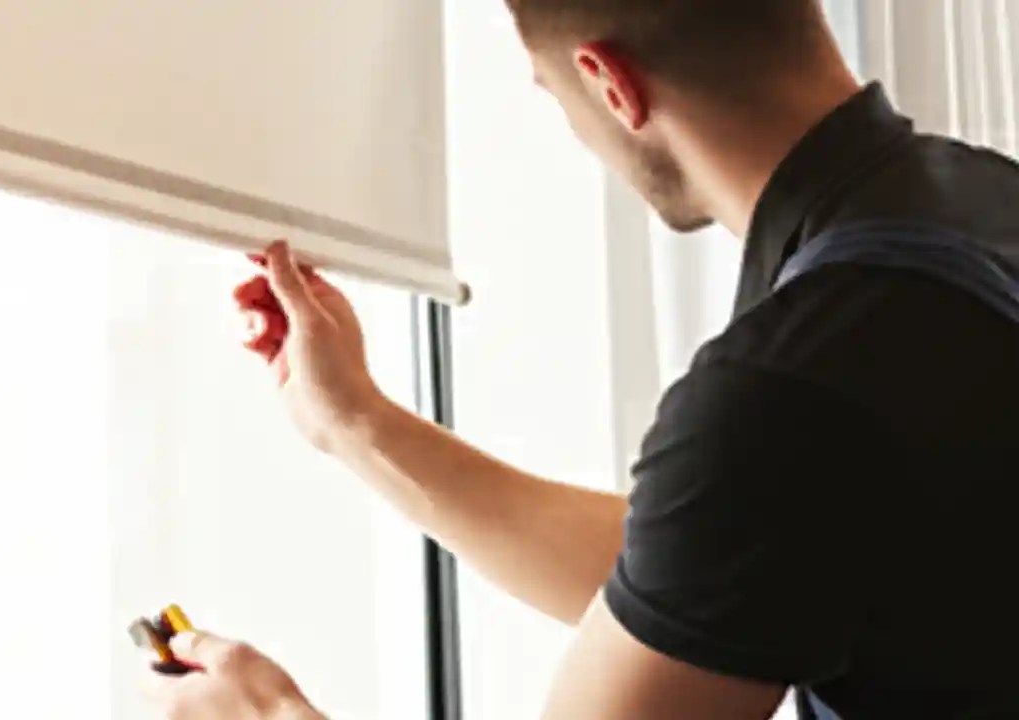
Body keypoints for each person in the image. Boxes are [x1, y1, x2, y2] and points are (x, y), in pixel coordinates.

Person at [144, 1, 1019, 718]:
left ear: (608, 83)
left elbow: (737, 510)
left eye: (550, 95)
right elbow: (719, 564)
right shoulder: (980, 211)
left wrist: (267, 713)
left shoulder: (786, 389)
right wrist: (357, 424)